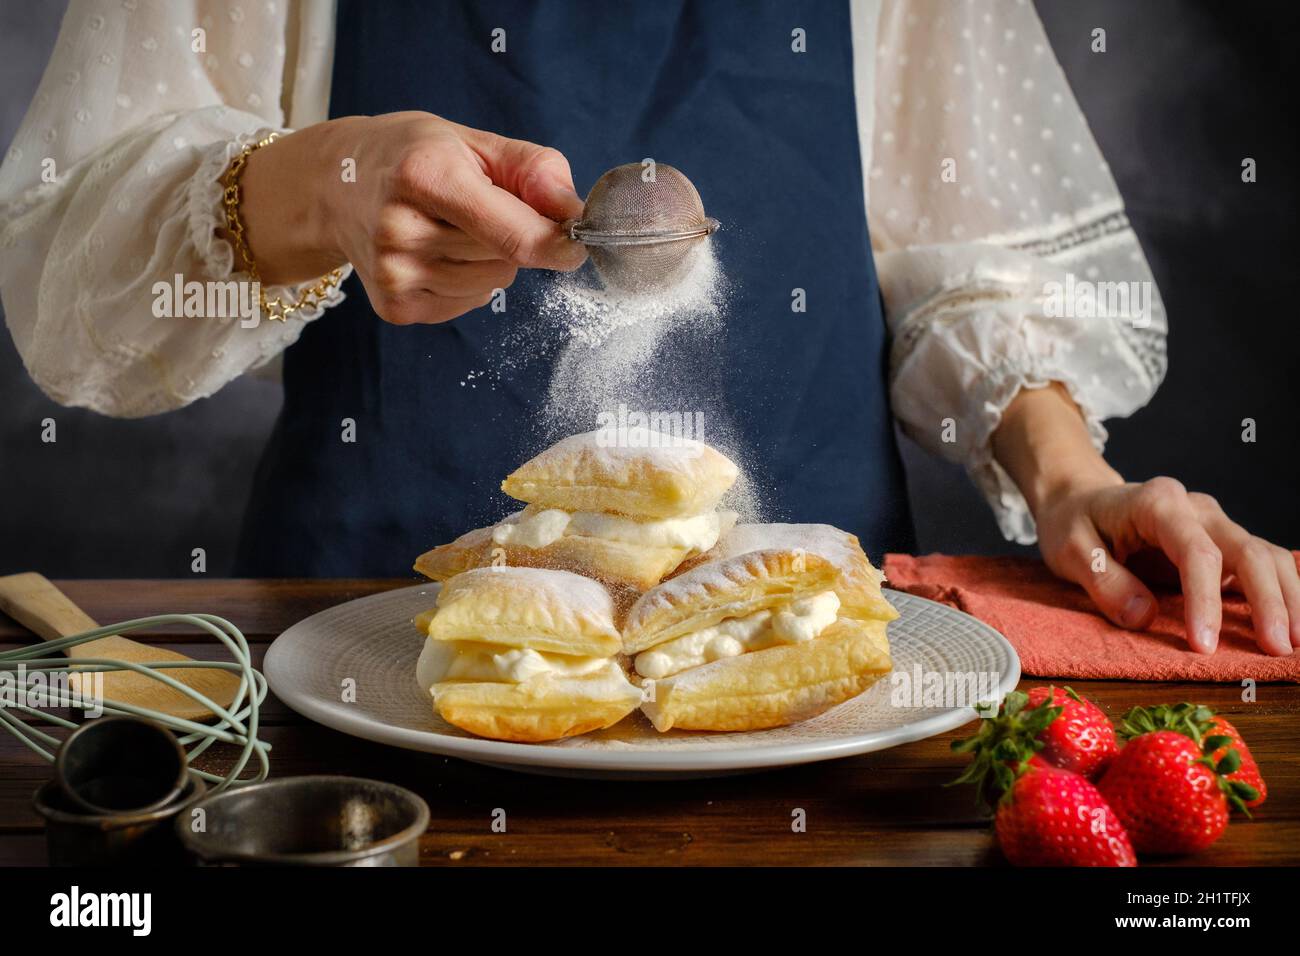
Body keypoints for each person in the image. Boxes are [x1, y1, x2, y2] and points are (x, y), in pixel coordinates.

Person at [1, 0, 1296, 657]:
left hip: (805, 659)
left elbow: (968, 240)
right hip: (374, 650)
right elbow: (73, 264)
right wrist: (322, 182)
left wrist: (1071, 478)